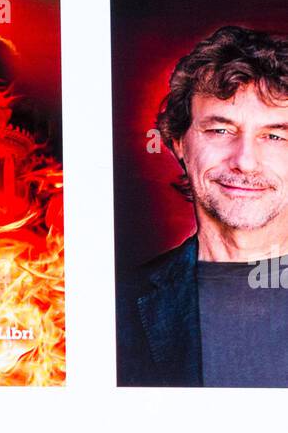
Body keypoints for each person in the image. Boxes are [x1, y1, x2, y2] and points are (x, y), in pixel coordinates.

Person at [117, 25, 288, 386]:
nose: (245, 161)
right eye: (220, 131)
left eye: (274, 135)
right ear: (179, 142)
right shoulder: (114, 303)